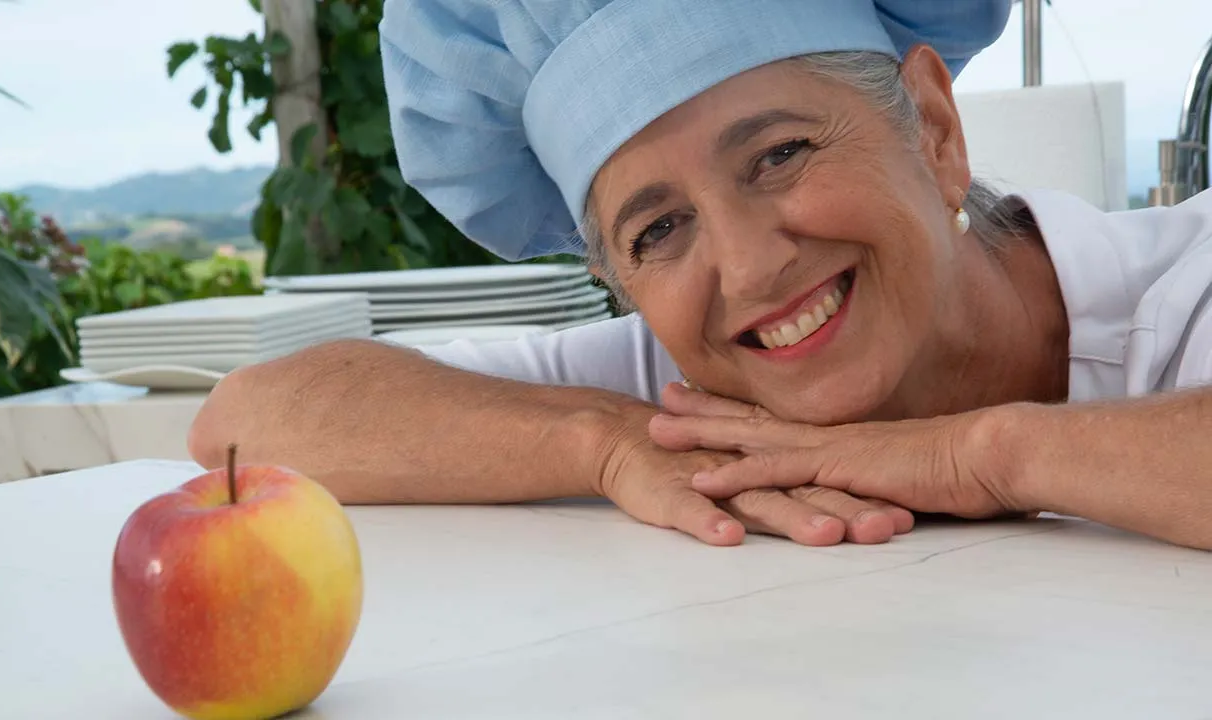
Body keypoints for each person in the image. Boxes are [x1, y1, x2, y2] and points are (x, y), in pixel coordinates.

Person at [188, 0, 1212, 551]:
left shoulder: (1185, 288)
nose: (748, 267)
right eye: (658, 229)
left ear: (933, 128)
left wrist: (981, 455)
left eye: (778, 155)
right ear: (616, 276)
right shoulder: (697, 406)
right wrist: (603, 443)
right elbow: (248, 419)